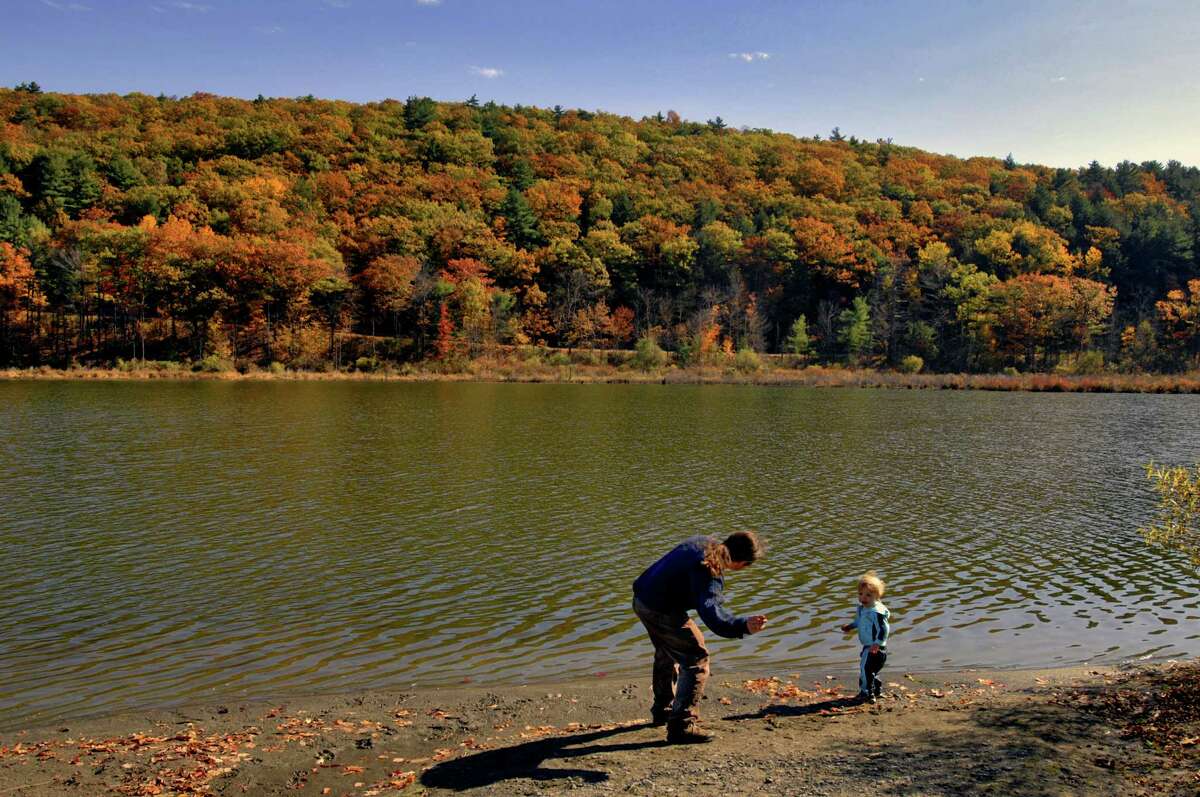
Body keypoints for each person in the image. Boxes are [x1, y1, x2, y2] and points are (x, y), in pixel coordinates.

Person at [632, 531, 768, 744]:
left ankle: (663, 710)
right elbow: (713, 616)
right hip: (660, 608)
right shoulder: (709, 570)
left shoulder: (702, 542)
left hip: (642, 599)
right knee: (696, 659)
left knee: (667, 652)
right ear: (742, 562)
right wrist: (742, 626)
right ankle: (681, 726)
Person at [840, 571, 891, 704]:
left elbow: (884, 628)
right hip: (869, 646)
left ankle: (867, 693)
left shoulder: (876, 612)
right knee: (871, 670)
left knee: (865, 670)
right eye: (861, 594)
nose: (864, 598)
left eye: (868, 595)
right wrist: (850, 626)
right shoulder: (862, 609)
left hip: (875, 648)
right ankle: (876, 690)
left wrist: (877, 643)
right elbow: (860, 622)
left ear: (877, 596)